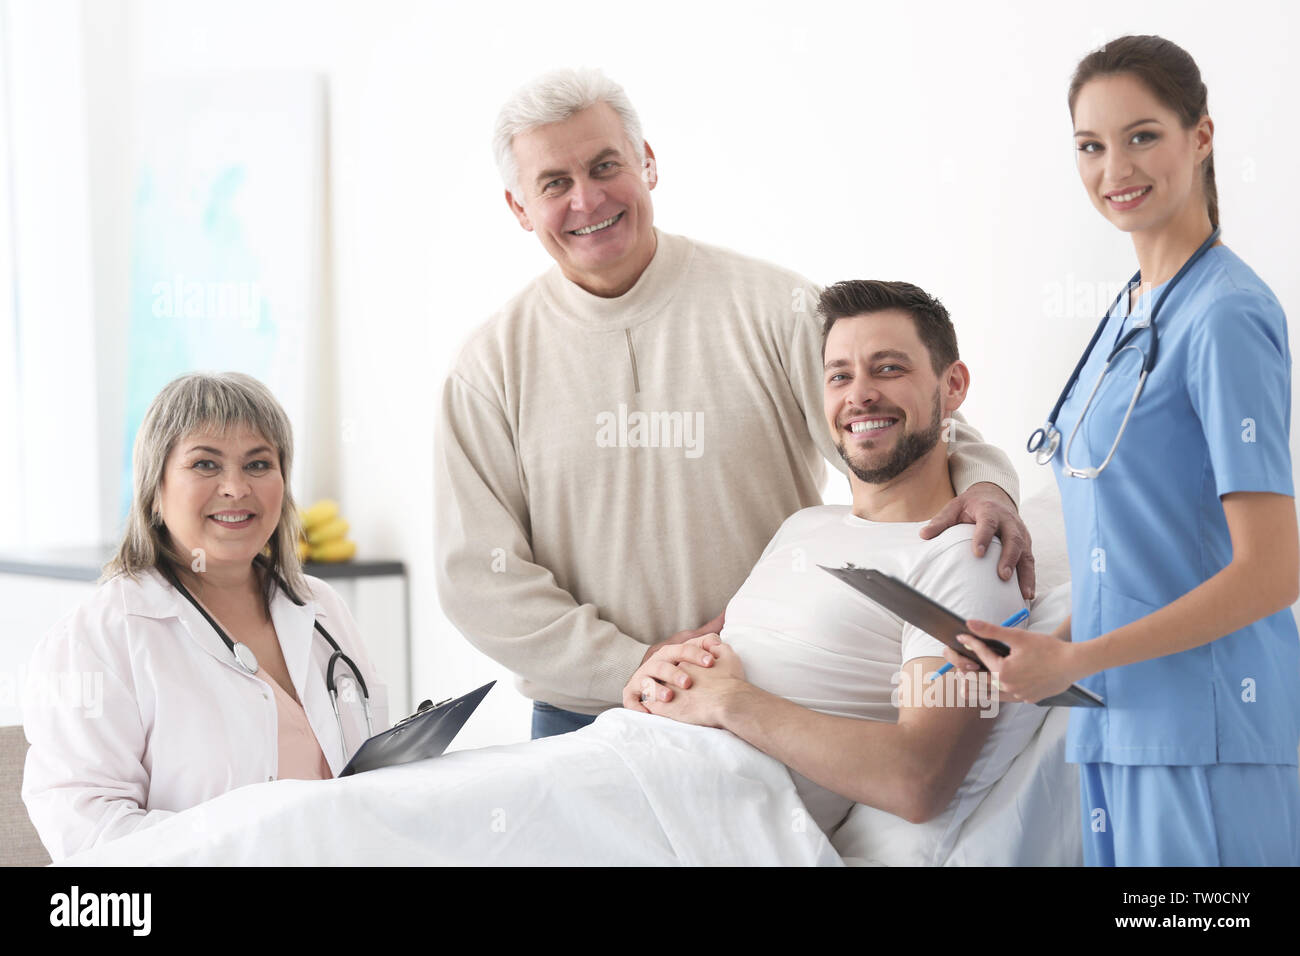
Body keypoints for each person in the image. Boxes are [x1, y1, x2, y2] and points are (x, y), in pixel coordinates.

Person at [435, 67, 1036, 741]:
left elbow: (908, 418)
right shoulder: (488, 368)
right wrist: (635, 665)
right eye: (555, 183)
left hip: (764, 701)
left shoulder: (772, 309)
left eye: (606, 165)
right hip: (585, 717)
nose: (588, 198)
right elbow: (477, 578)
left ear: (648, 164)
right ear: (519, 209)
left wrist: (988, 488)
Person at [946, 35, 1300, 866]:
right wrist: (1045, 649)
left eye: (1142, 136)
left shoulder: (1224, 316)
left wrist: (1080, 658)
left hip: (1209, 732)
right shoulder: (1130, 310)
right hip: (1120, 722)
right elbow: (1141, 548)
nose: (1115, 169)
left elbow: (1275, 568)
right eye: (1090, 146)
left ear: (1200, 137)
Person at [625, 279, 1043, 835]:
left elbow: (917, 779)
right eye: (840, 375)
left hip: (681, 818)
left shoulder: (965, 559)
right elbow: (713, 658)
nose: (860, 394)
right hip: (618, 759)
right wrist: (655, 679)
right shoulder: (804, 527)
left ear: (954, 384)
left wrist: (731, 702)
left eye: (889, 368)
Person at [22, 372, 388, 861]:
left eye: (259, 463)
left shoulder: (320, 606)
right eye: (205, 464)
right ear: (155, 489)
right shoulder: (99, 637)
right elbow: (90, 831)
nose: (236, 488)